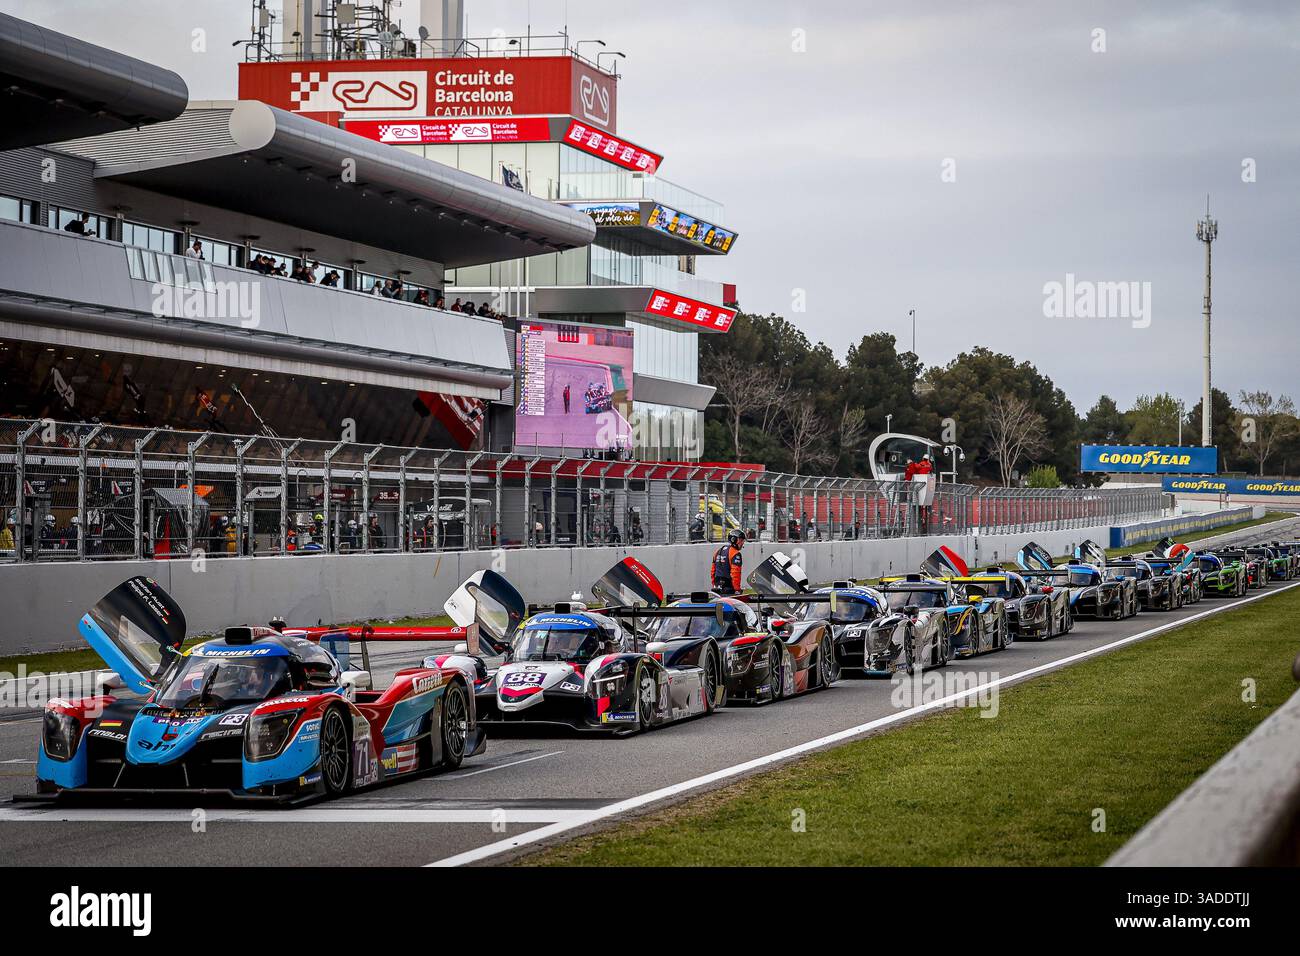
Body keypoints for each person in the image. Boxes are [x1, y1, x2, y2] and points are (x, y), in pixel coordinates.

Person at [711, 530, 745, 595]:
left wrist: (714, 585)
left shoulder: (717, 551)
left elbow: (713, 572)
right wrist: (737, 590)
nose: (742, 543)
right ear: (734, 540)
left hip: (716, 588)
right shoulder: (735, 553)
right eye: (740, 540)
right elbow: (735, 574)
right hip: (729, 589)